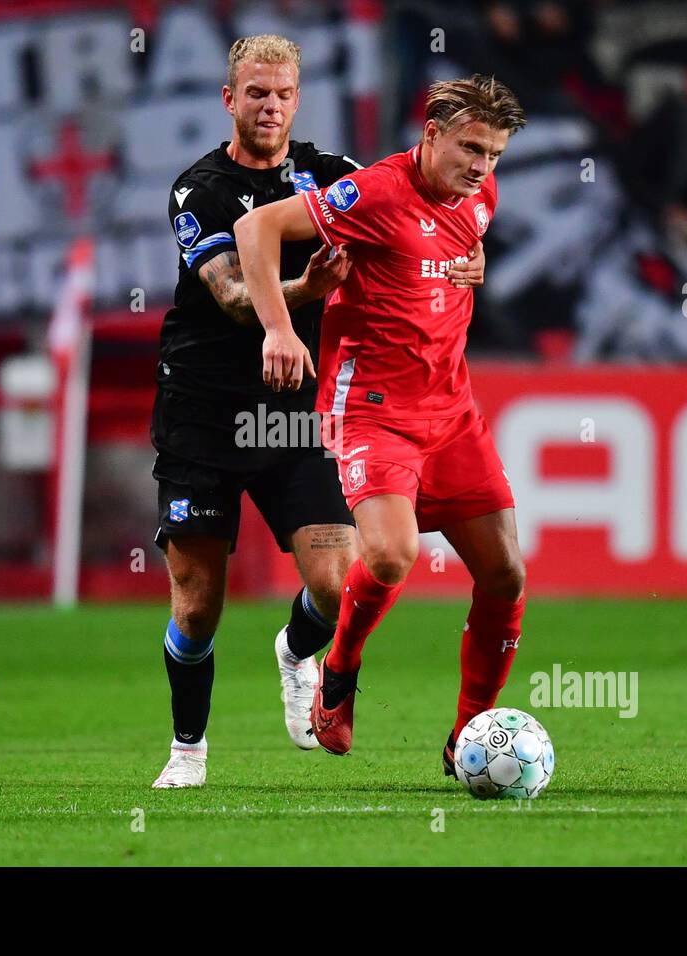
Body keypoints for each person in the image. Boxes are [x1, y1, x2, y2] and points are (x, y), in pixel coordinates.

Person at [151, 35, 487, 788]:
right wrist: (300, 298)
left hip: (297, 409)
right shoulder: (197, 189)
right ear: (229, 100)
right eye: (255, 94)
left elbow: (423, 212)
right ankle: (188, 750)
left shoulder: (334, 177)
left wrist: (471, 257)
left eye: (282, 94)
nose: (270, 107)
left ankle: (296, 652)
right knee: (200, 603)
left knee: (338, 584)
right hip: (203, 410)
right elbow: (234, 295)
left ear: (298, 99)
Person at [233, 74, 526, 772]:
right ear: (430, 135)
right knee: (391, 556)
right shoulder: (376, 194)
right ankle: (338, 673)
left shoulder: (478, 195)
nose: (482, 167)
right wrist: (279, 328)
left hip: (452, 413)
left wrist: (474, 261)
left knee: (507, 575)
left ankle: (469, 738)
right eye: (470, 148)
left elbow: (458, 247)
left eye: (494, 154)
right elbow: (256, 226)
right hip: (371, 411)